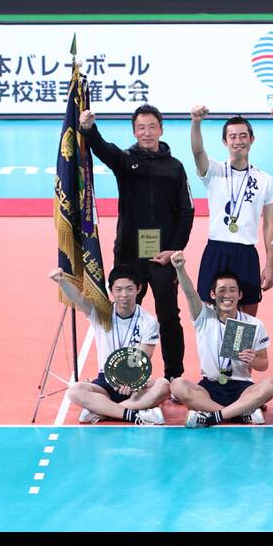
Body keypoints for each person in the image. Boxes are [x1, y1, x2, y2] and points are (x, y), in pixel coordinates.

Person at [80, 104, 195, 381]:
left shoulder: (175, 167)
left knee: (168, 316)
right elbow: (102, 149)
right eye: (141, 128)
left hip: (162, 256)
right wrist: (88, 128)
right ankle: (123, 375)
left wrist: (174, 250)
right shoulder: (125, 161)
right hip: (129, 255)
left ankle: (173, 376)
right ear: (134, 131)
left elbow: (186, 211)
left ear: (161, 129)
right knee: (123, 314)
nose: (147, 133)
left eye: (152, 127)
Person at [168, 253, 273, 427]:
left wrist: (253, 359)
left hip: (242, 387)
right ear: (212, 294)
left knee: (270, 385)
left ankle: (214, 415)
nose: (227, 295)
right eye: (222, 290)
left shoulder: (254, 323)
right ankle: (240, 413)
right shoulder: (203, 317)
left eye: (232, 290)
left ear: (240, 295)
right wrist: (180, 268)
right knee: (177, 386)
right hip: (210, 386)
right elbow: (190, 294)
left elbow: (263, 364)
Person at [51, 266, 168, 425]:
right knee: (75, 391)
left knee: (164, 386)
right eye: (118, 290)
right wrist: (61, 281)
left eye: (129, 289)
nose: (124, 295)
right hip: (105, 383)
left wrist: (130, 381)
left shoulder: (149, 322)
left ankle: (104, 410)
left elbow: (143, 358)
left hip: (134, 382)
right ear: (111, 290)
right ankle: (133, 414)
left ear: (138, 289)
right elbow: (78, 299)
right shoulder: (101, 313)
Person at [189, 108, 273, 314]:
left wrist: (270, 264)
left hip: (246, 253)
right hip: (216, 250)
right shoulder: (213, 171)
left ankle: (240, 349)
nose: (238, 141)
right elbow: (197, 151)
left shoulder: (265, 180)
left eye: (243, 136)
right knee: (210, 316)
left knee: (246, 318)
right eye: (233, 136)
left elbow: (269, 225)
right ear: (225, 142)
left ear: (252, 139)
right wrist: (196, 122)